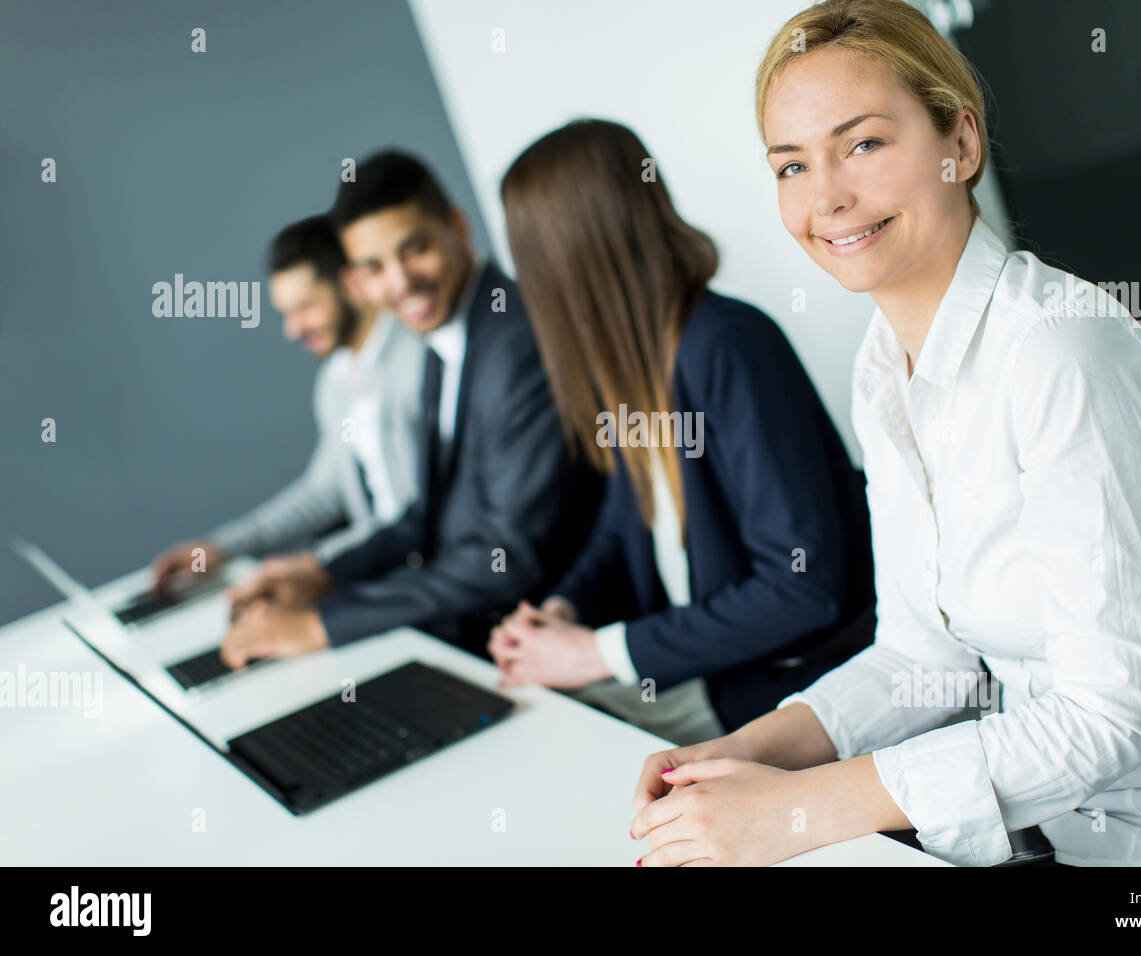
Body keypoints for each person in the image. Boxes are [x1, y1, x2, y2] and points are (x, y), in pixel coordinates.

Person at [629, 0, 1141, 866]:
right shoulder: (885, 367)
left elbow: (1107, 716)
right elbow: (921, 651)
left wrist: (801, 810)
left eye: (863, 144)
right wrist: (744, 754)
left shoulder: (1059, 347)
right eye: (791, 165)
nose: (826, 195)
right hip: (1075, 822)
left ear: (961, 146)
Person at [488, 119, 875, 746]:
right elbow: (623, 526)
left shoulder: (728, 345)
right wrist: (561, 613)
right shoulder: (637, 365)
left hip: (776, 695)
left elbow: (801, 588)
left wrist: (597, 655)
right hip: (708, 678)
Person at [219, 151, 600, 665]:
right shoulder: (443, 340)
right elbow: (428, 514)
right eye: (375, 268)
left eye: (415, 249)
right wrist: (325, 574)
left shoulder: (515, 343)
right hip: (487, 639)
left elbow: (507, 555)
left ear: (457, 229)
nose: (399, 283)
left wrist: (322, 624)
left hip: (557, 648)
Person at [151, 215, 425, 593]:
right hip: (385, 581)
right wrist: (221, 549)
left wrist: (316, 566)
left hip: (425, 583)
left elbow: (416, 516)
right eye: (287, 313)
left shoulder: (418, 361)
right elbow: (322, 493)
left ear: (352, 285)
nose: (292, 329)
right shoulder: (336, 381)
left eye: (306, 307)